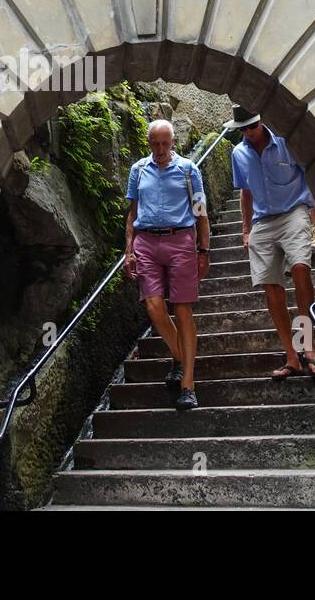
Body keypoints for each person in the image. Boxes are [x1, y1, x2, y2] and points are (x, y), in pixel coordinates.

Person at [225, 104, 315, 379]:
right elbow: (245, 193)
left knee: (300, 268)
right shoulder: (238, 153)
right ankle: (291, 356)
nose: (248, 132)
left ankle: (309, 346)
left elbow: (308, 173)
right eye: (243, 129)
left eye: (252, 126)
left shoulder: (285, 141)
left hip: (294, 211)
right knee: (271, 287)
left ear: (262, 121)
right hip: (262, 221)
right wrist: (246, 229)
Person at [123, 119, 211, 411]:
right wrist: (129, 250)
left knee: (183, 309)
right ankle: (180, 355)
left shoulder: (189, 170)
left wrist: (203, 250)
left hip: (181, 241)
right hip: (146, 243)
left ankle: (188, 384)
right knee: (154, 308)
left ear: (173, 142)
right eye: (155, 144)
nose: (160, 149)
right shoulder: (137, 170)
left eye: (165, 143)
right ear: (148, 143)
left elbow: (200, 213)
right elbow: (132, 213)